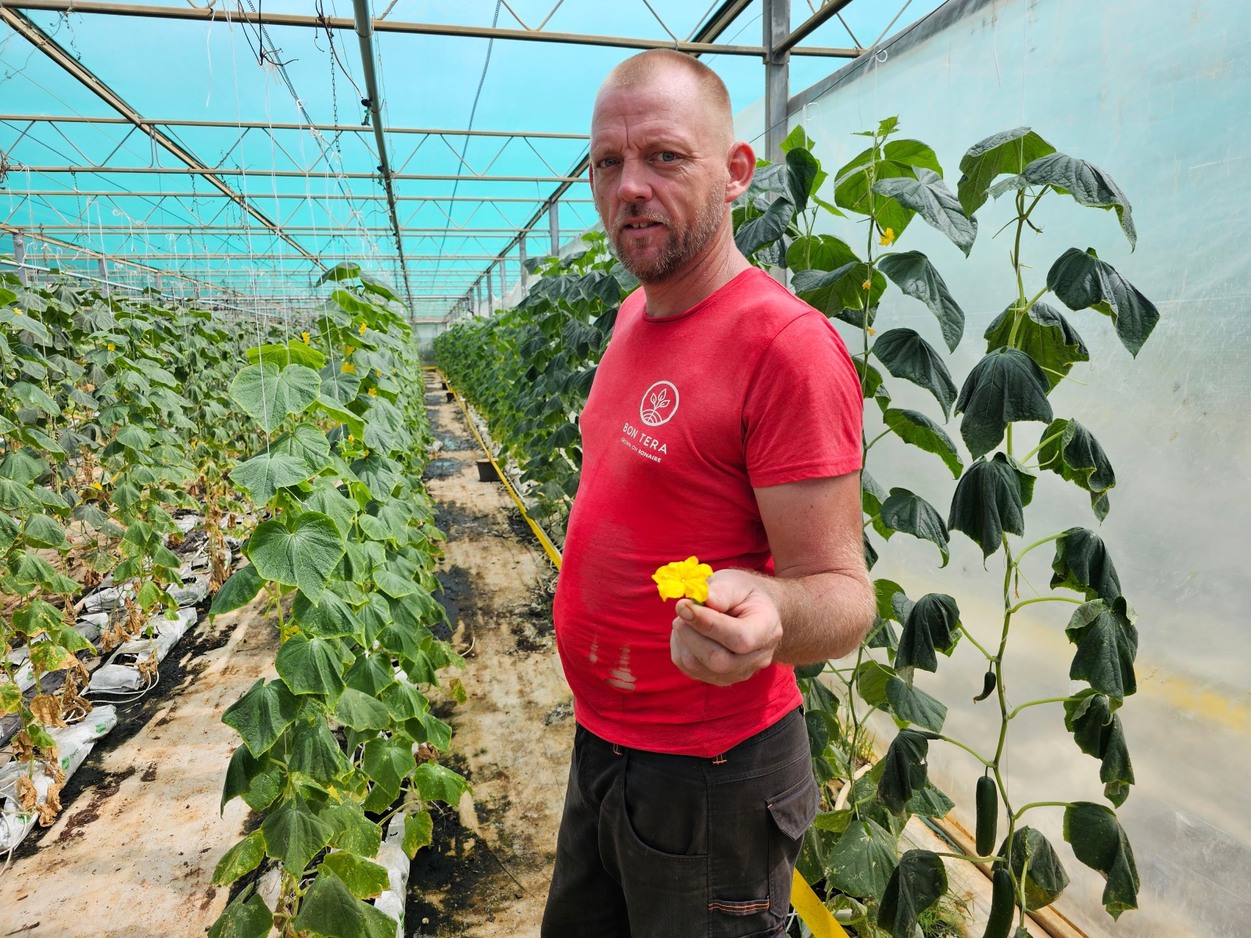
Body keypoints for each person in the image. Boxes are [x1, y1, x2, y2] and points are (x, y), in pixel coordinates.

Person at [542, 48, 874, 938]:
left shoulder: (784, 347)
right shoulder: (628, 316)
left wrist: (769, 610)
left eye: (663, 156)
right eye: (607, 164)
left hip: (712, 777)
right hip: (603, 745)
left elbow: (844, 599)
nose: (629, 187)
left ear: (735, 175)